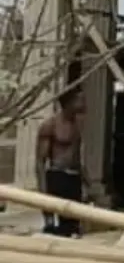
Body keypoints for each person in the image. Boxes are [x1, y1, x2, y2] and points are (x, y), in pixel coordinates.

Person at [35, 90, 85, 237]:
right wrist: (43, 190)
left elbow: (77, 157)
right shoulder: (50, 125)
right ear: (69, 102)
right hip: (57, 176)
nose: (84, 104)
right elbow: (40, 161)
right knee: (51, 228)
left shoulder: (78, 124)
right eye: (80, 100)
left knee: (72, 227)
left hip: (74, 178)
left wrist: (87, 182)